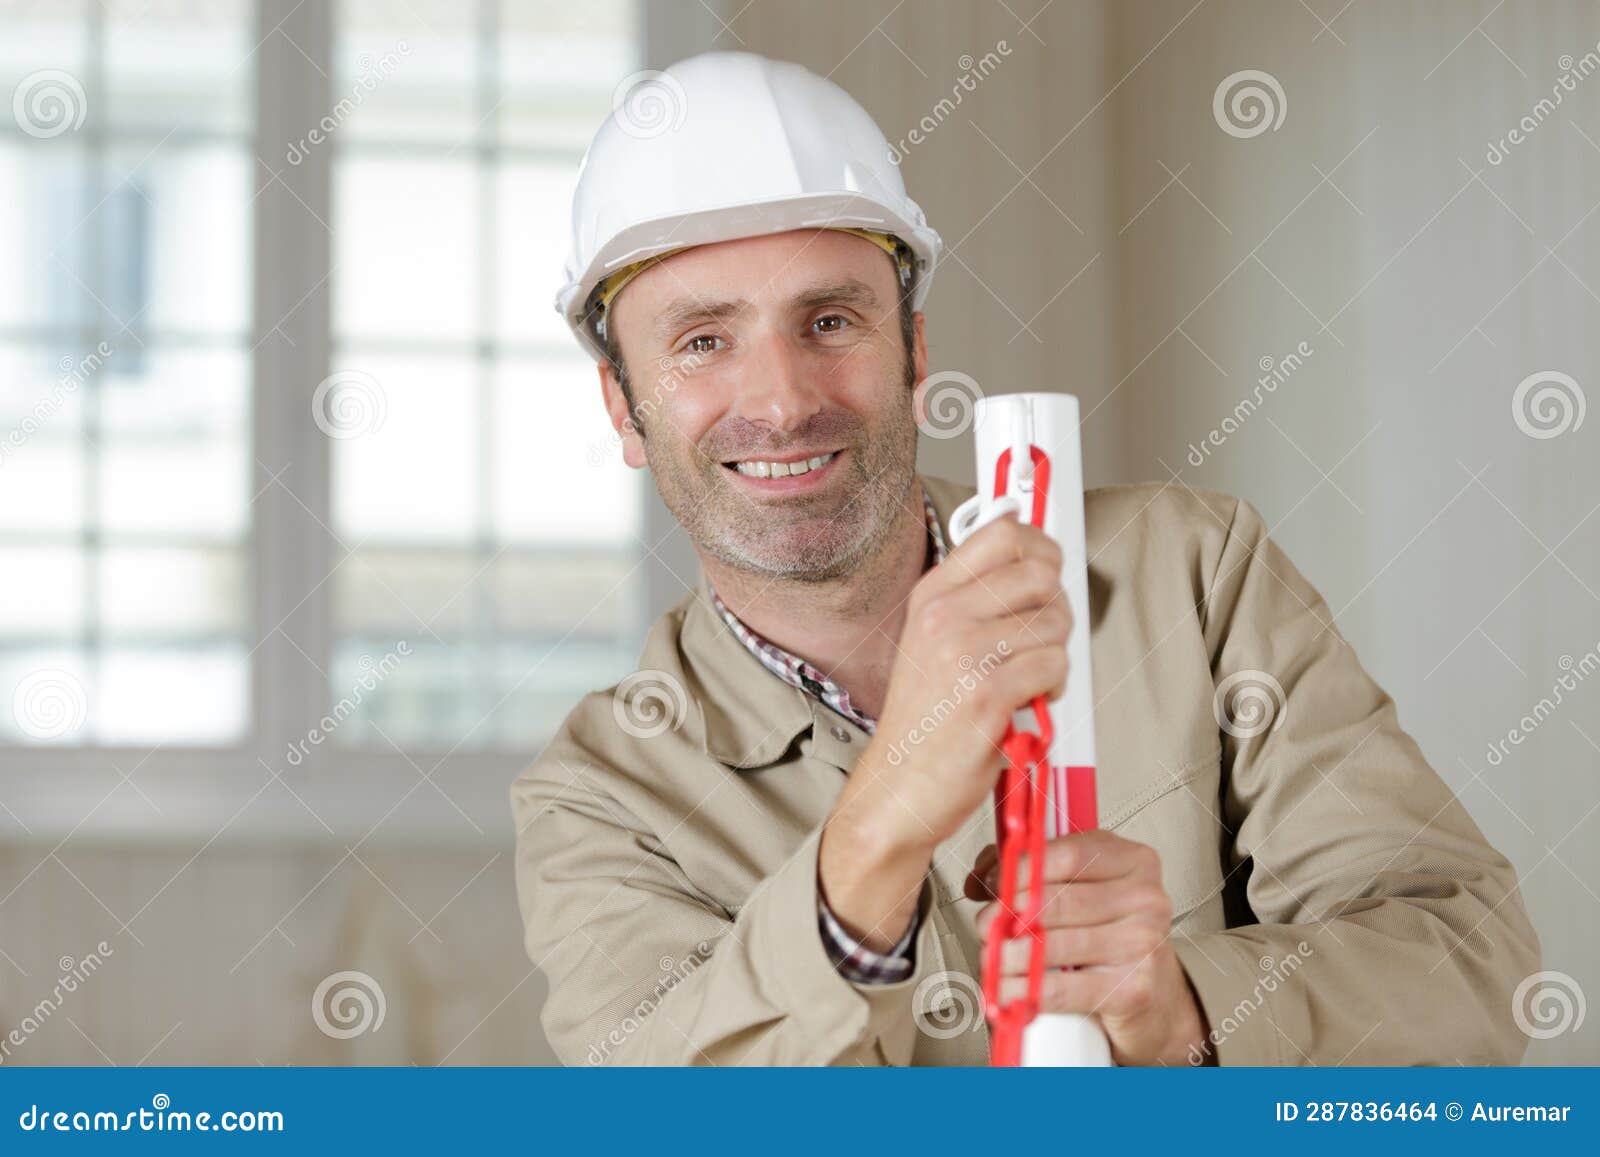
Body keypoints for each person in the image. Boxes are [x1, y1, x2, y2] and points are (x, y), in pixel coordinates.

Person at [511, 50, 1540, 1066]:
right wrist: (878, 826)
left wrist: (1187, 1009)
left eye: (830, 320)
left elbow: (1475, 970)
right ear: (623, 406)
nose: (781, 401)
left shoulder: (1184, 576)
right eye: (700, 340)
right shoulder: (602, 797)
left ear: (914, 355)